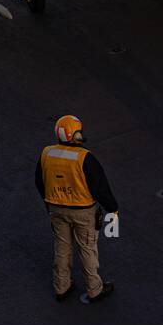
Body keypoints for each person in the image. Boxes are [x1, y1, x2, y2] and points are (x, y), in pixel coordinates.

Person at [34, 115, 118, 303]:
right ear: (75, 134)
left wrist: (49, 202)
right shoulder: (84, 157)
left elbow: (39, 181)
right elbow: (100, 186)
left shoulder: (46, 153)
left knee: (62, 247)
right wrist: (112, 208)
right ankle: (94, 289)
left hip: (56, 209)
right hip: (83, 211)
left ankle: (61, 287)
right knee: (87, 249)